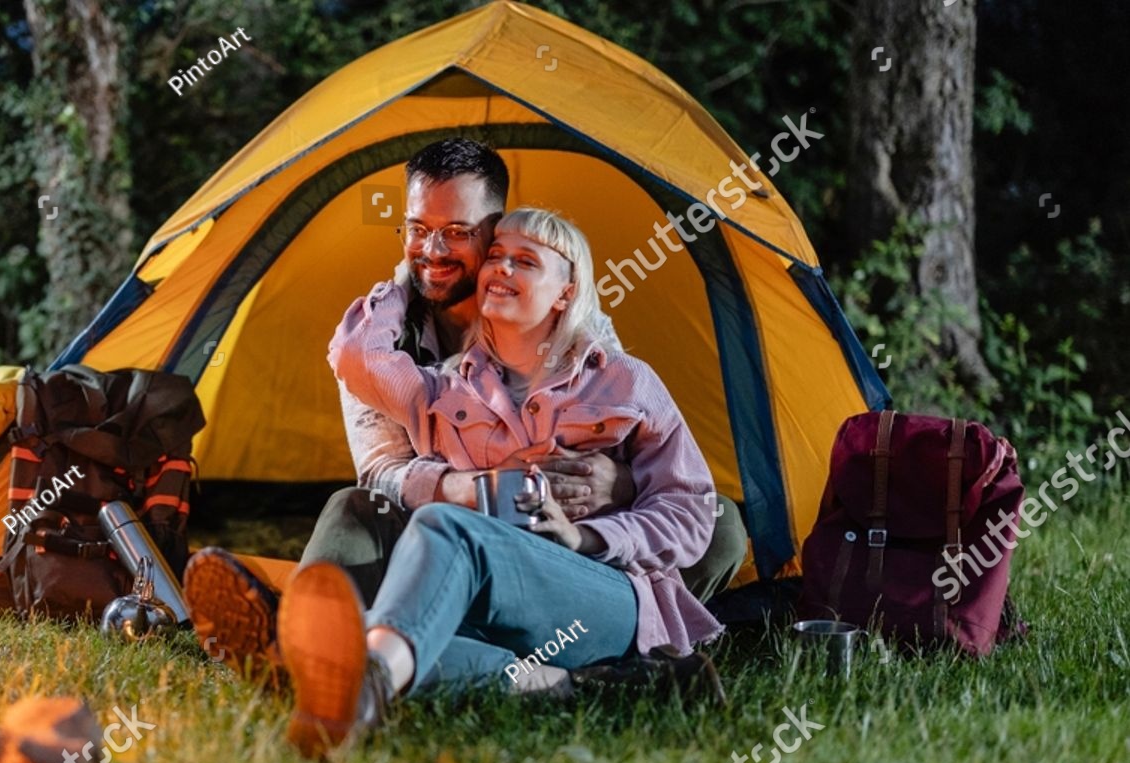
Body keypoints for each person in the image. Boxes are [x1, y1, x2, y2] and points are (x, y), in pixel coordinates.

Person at [183, 138, 746, 680]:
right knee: (356, 510)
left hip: (577, 551)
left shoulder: (590, 349)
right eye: (417, 229)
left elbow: (647, 464)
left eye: (457, 232)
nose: (433, 250)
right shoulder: (407, 363)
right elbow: (380, 472)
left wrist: (616, 488)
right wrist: (473, 491)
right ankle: (320, 646)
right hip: (447, 532)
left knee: (719, 523)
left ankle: (614, 638)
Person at [276, 206, 723, 756]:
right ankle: (558, 685)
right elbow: (354, 355)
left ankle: (348, 680)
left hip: (600, 595)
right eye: (495, 257)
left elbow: (691, 511)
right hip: (489, 606)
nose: (500, 269)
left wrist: (587, 537)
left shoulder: (623, 381)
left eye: (526, 261)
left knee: (446, 526)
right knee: (390, 630)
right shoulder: (445, 393)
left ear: (566, 291)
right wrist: (409, 271)